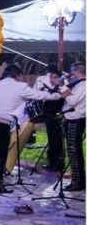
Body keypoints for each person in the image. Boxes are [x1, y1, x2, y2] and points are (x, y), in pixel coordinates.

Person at [0, 64, 66, 193]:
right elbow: (40, 95)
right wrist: (59, 95)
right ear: (17, 75)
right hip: (2, 123)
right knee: (1, 155)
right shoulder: (20, 87)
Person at [34, 65, 65, 171]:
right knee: (52, 141)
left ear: (60, 79)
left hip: (55, 118)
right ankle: (52, 163)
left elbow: (58, 102)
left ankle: (57, 164)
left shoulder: (62, 89)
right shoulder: (54, 88)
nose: (52, 80)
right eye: (51, 77)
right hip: (50, 117)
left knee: (57, 142)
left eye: (55, 77)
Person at [62, 62, 85, 191]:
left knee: (74, 152)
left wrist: (63, 87)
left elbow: (71, 101)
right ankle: (78, 181)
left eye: (71, 72)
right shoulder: (78, 85)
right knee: (72, 151)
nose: (70, 75)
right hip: (72, 120)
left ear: (76, 72)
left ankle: (78, 183)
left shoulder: (83, 85)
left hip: (76, 121)